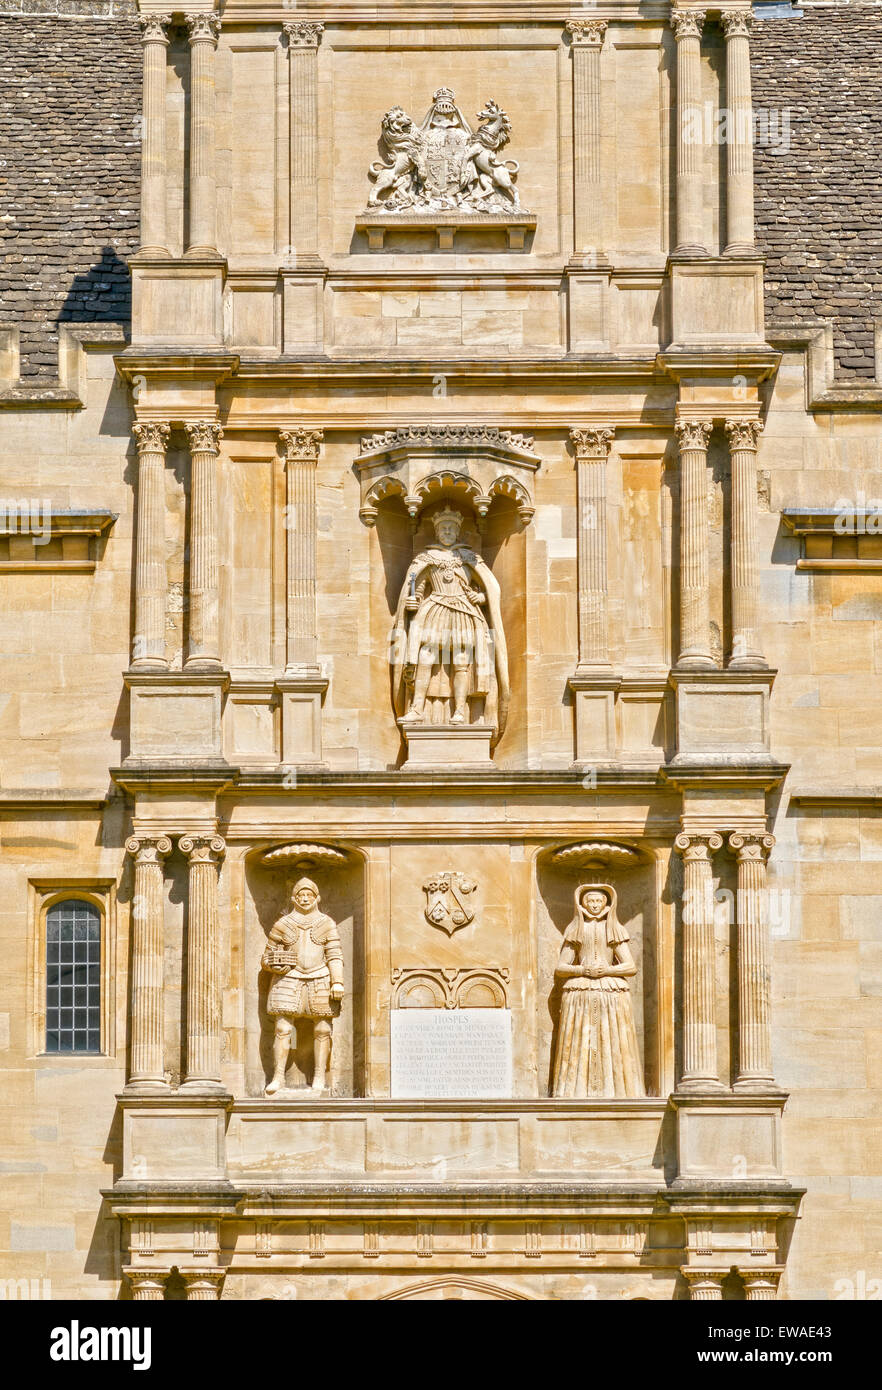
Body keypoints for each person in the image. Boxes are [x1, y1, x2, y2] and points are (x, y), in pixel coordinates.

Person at [391, 506, 509, 736]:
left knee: (461, 660)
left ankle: (460, 711)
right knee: (425, 656)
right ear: (436, 531)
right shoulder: (425, 558)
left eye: (450, 528)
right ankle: (417, 708)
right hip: (434, 609)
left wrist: (481, 596)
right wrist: (411, 601)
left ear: (457, 532)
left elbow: (492, 588)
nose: (446, 532)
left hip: (462, 612)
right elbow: (417, 586)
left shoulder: (469, 558)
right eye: (443, 528)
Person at [551, 883, 644, 1098]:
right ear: (582, 903)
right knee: (580, 1045)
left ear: (607, 904)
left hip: (610, 991)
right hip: (581, 991)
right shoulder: (576, 929)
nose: (594, 905)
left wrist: (608, 969)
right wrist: (582, 968)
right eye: (590, 901)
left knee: (611, 1042)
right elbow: (560, 967)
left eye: (598, 901)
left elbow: (630, 966)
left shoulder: (615, 929)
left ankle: (617, 1090)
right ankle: (574, 1091)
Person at [262, 878, 344, 1096]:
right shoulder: (283, 924)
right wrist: (274, 963)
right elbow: (266, 956)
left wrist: (337, 981)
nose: (305, 898)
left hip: (320, 977)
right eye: (300, 895)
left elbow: (334, 954)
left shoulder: (326, 923)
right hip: (288, 977)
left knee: (323, 1029)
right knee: (282, 1029)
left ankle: (318, 1074)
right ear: (294, 898)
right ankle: (278, 1077)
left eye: (309, 894)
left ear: (317, 897)